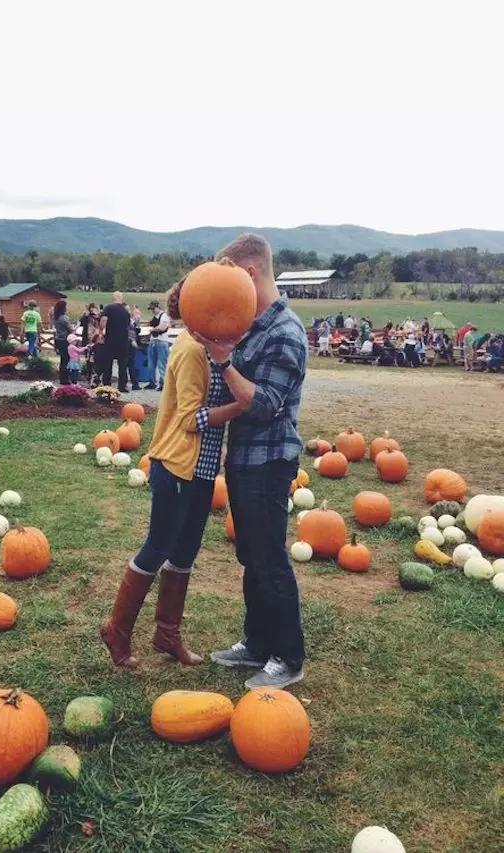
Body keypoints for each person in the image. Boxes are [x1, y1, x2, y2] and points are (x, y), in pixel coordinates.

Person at [100, 278, 244, 668]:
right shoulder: (192, 351)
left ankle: (167, 635)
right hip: (177, 467)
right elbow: (192, 418)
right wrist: (242, 407)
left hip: (201, 469)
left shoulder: (207, 347)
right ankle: (117, 629)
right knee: (158, 547)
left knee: (184, 553)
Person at [196, 234, 307, 690]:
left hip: (269, 462)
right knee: (251, 556)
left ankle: (288, 657)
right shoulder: (254, 325)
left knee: (270, 559)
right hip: (243, 460)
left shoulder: (285, 332)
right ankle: (257, 643)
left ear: (250, 274)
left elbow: (265, 405)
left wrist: (223, 362)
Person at [100, 292, 130, 392]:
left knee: (108, 361)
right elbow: (128, 325)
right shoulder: (126, 311)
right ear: (122, 298)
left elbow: (103, 320)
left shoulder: (109, 308)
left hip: (111, 337)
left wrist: (101, 332)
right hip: (123, 339)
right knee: (122, 362)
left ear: (113, 298)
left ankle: (107, 384)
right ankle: (122, 385)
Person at [145, 300, 171, 390]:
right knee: (151, 363)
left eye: (153, 309)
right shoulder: (155, 316)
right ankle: (152, 382)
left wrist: (153, 330)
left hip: (161, 340)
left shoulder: (164, 316)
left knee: (162, 363)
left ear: (157, 307)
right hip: (153, 340)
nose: (152, 310)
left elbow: (162, 327)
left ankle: (163, 383)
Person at [52, 299, 74, 384]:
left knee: (62, 360)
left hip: (58, 340)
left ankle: (62, 378)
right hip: (65, 340)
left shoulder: (56, 317)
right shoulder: (65, 318)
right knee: (66, 360)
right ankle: (65, 379)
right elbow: (70, 329)